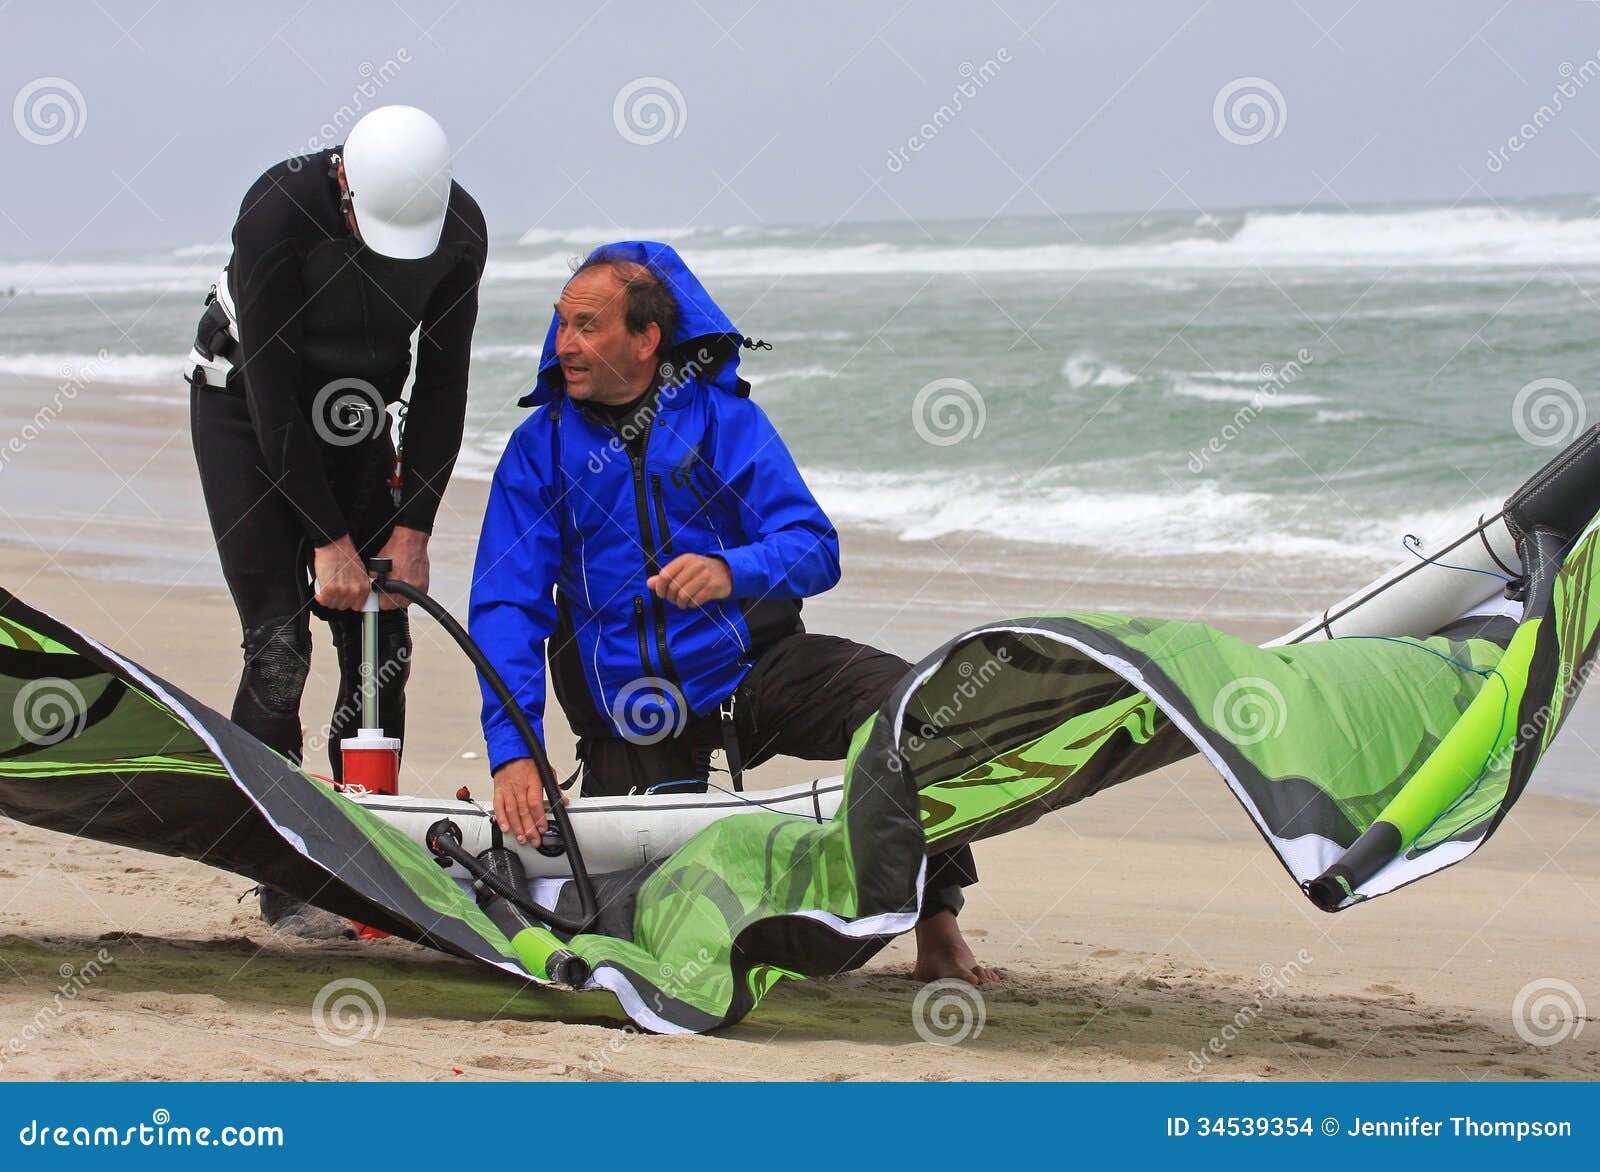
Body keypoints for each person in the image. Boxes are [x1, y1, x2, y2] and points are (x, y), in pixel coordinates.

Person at [469, 242, 995, 983]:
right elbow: (506, 605)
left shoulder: (725, 423)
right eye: (561, 324)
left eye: (587, 327)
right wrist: (514, 749)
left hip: (751, 673)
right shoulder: (541, 450)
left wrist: (730, 571)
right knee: (630, 919)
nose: (564, 345)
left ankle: (935, 920)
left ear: (646, 340)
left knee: (911, 709)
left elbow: (815, 548)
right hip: (632, 709)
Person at [188, 106, 487, 936]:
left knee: (382, 637)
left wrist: (413, 530)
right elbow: (274, 398)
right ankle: (280, 872)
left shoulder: (460, 230)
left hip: (358, 422)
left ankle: (363, 858)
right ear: (345, 180)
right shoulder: (277, 213)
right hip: (246, 409)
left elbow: (443, 387)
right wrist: (328, 541)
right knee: (280, 645)